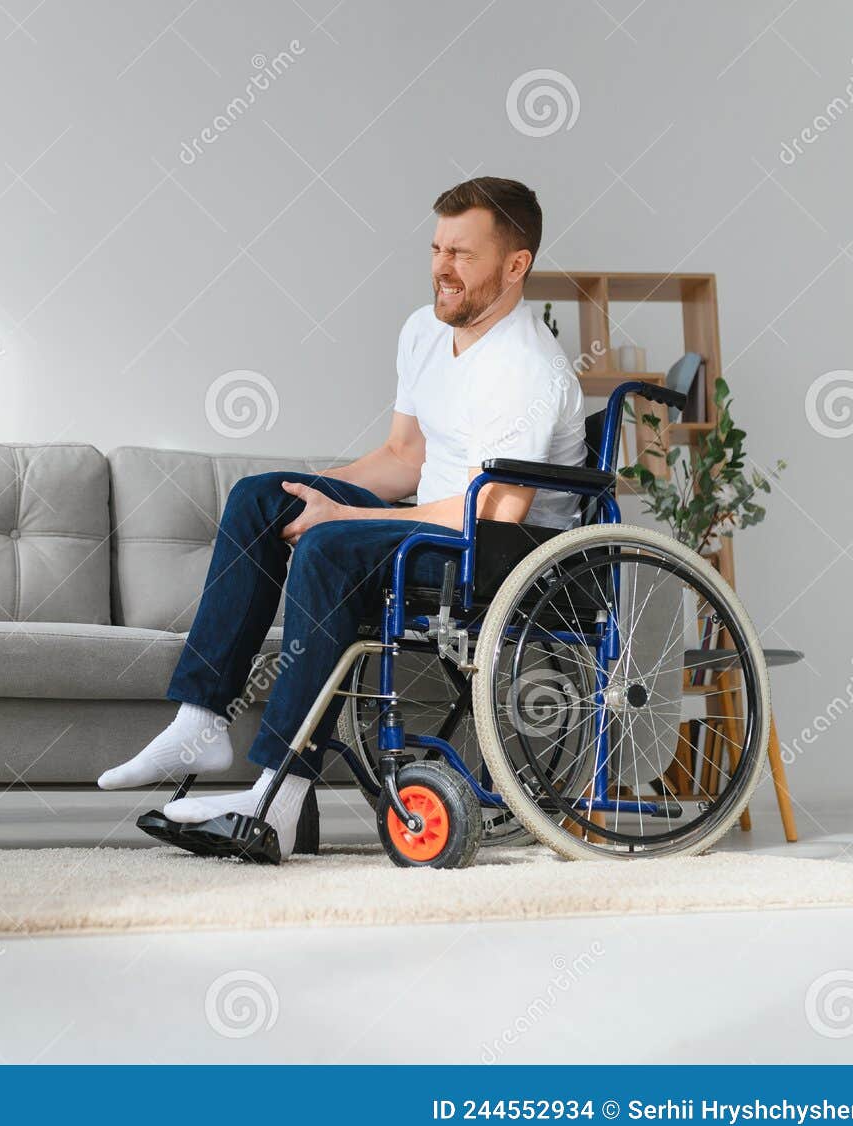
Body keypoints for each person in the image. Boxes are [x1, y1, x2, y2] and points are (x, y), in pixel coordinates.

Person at [97, 176, 585, 862]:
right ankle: (201, 717)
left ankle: (280, 796)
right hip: (431, 526)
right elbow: (402, 455)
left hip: (500, 550)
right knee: (262, 498)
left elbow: (497, 508)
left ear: (515, 265)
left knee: (329, 543)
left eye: (463, 255)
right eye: (437, 247)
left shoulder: (527, 367)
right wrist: (316, 495)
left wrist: (342, 514)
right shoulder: (424, 332)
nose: (441, 267)